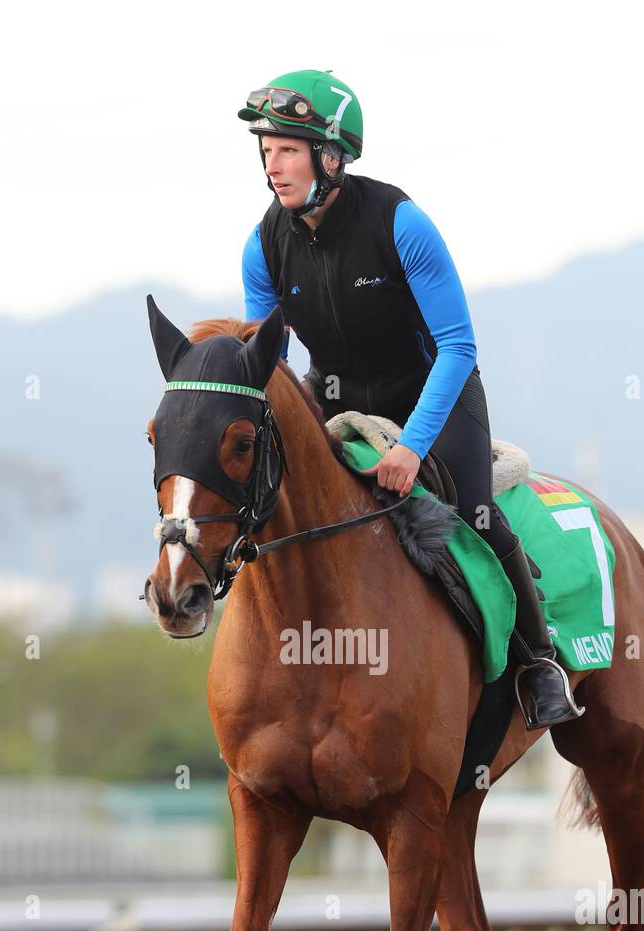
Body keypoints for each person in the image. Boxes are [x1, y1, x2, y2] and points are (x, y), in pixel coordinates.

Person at [238, 69, 584, 729]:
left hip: (434, 392)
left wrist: (412, 447)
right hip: (333, 395)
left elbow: (458, 347)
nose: (271, 166)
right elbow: (269, 367)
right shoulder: (263, 244)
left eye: (285, 150)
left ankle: (540, 664)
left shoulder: (401, 222)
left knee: (475, 512)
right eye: (265, 151)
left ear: (330, 155)